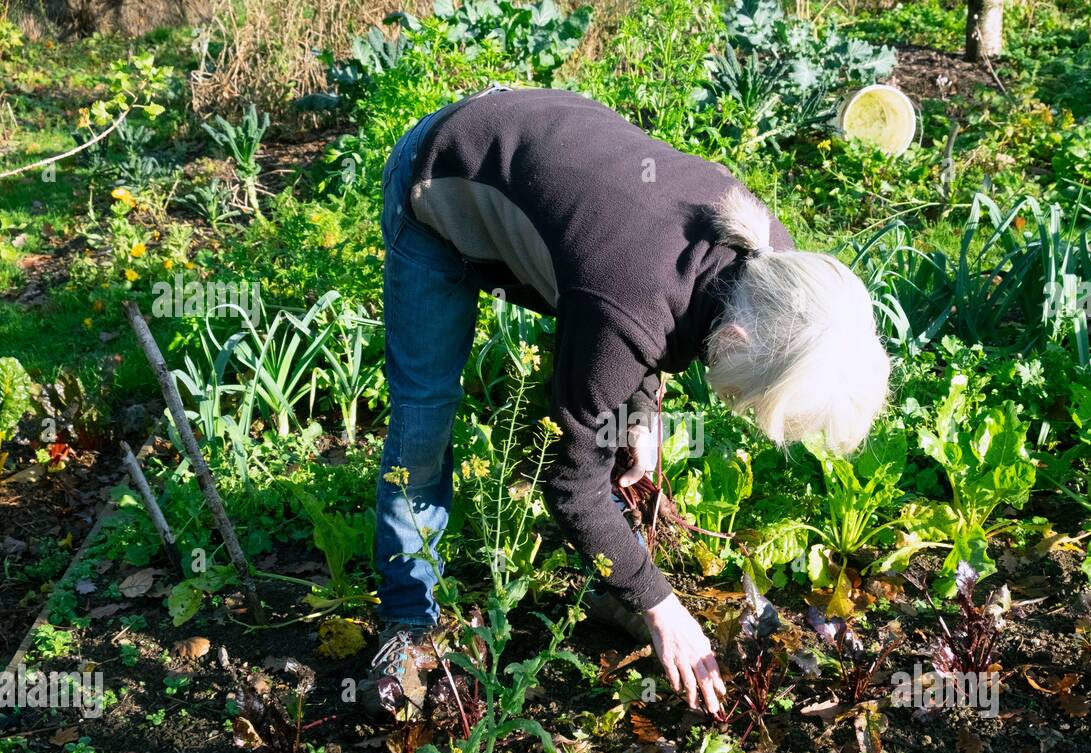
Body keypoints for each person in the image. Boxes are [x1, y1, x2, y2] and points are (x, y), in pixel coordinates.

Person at [369, 86, 891, 718]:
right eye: (751, 401)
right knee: (424, 417)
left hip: (553, 162)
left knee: (612, 409)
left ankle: (606, 580)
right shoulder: (626, 301)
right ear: (737, 338)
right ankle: (406, 620)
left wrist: (640, 411)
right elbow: (569, 482)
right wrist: (663, 607)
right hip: (443, 172)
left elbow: (663, 300)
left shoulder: (773, 264)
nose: (742, 413)